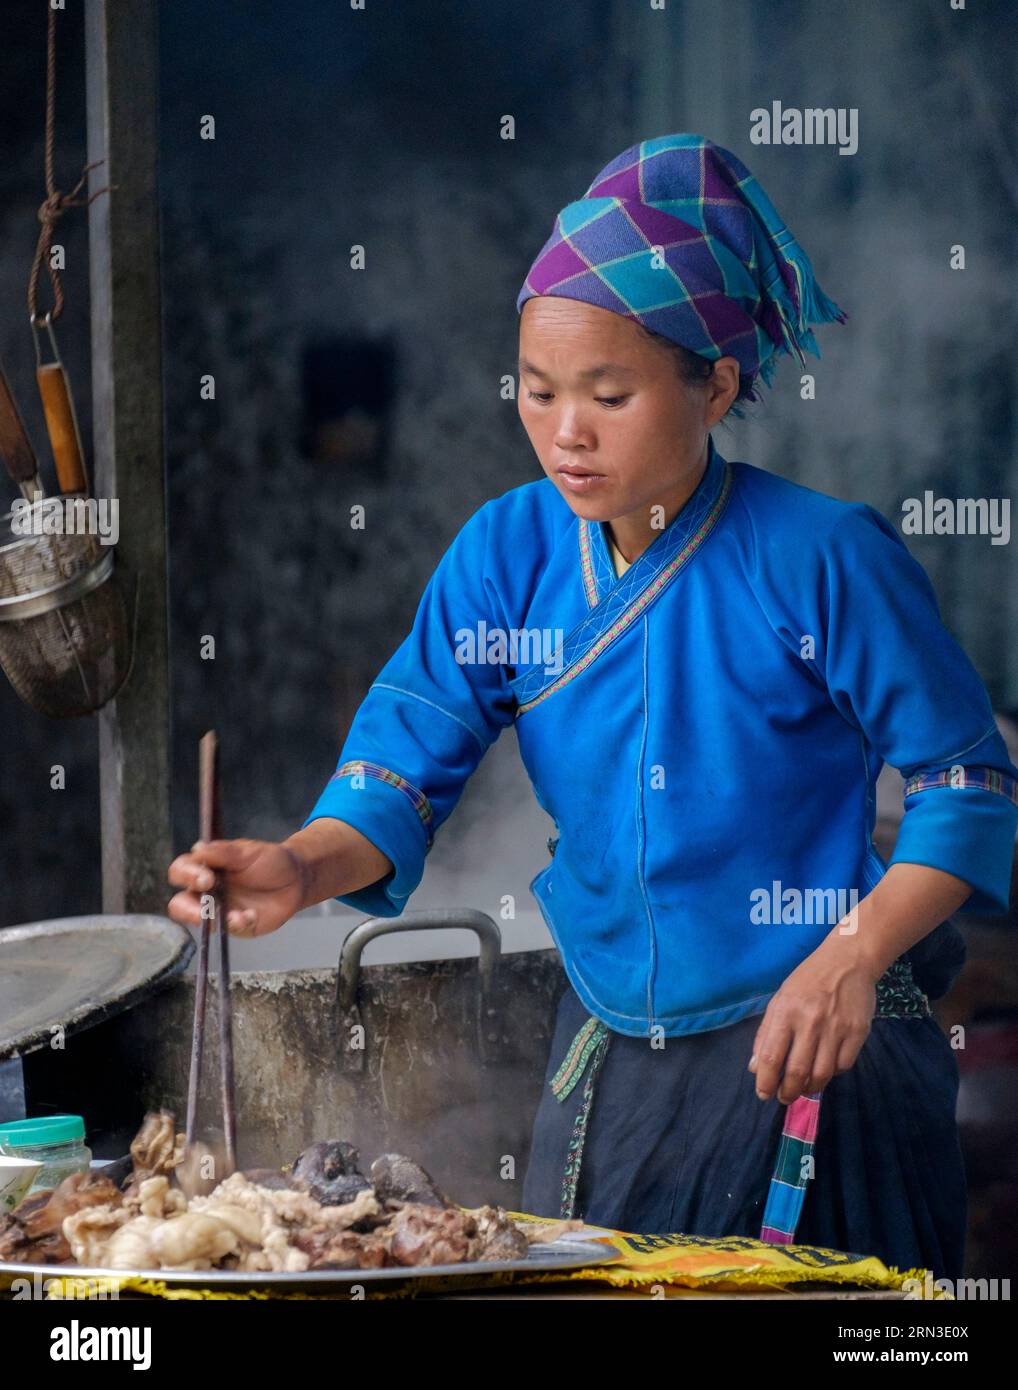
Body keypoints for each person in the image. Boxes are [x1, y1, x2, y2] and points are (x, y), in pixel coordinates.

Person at [167, 134, 1018, 1281]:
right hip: (615, 1057)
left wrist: (854, 954)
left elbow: (964, 785)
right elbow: (404, 766)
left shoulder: (820, 557)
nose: (565, 429)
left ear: (713, 384)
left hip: (818, 1050)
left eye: (609, 395)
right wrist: (303, 867)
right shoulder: (504, 555)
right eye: (537, 389)